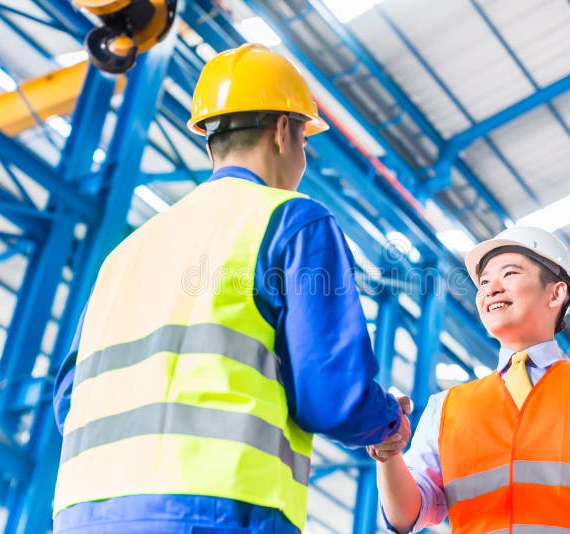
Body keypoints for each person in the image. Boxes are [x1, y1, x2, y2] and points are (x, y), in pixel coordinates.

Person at [51, 43, 409, 534]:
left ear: (208, 143)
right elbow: (332, 397)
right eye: (305, 139)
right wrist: (387, 424)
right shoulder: (291, 220)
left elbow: (70, 401)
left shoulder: (124, 255)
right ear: (285, 131)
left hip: (84, 513)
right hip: (219, 509)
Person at [368, 226, 570, 533]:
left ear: (556, 292)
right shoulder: (446, 408)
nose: (491, 289)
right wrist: (389, 452)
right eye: (484, 282)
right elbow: (406, 516)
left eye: (510, 273)